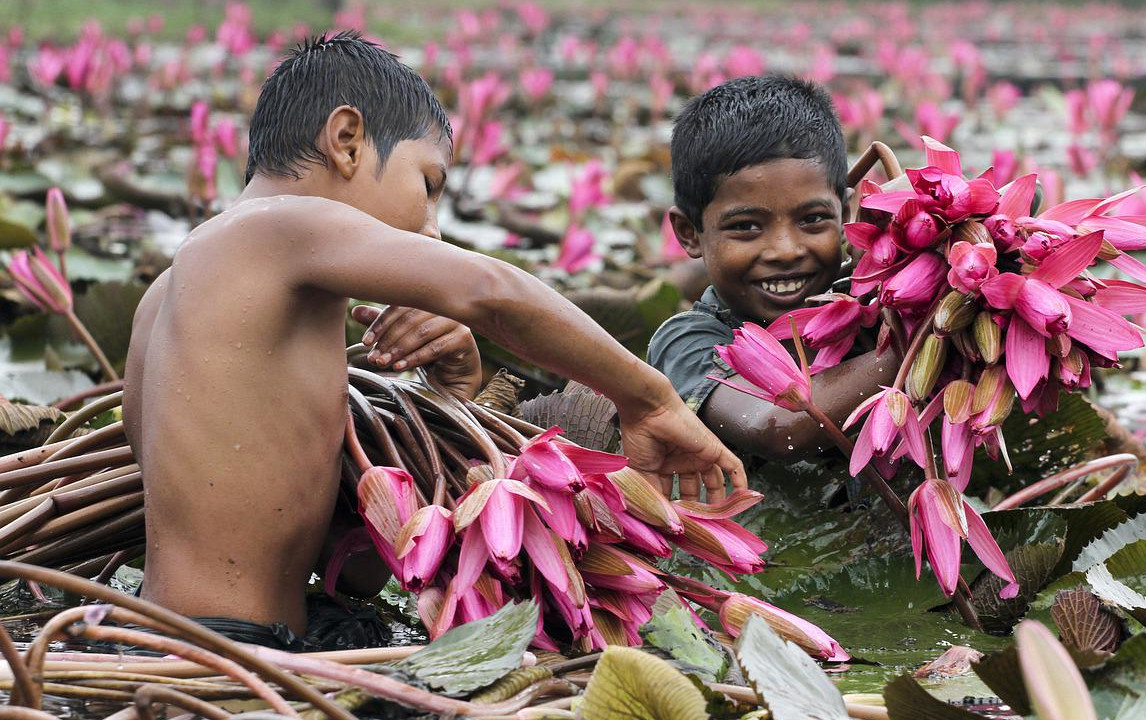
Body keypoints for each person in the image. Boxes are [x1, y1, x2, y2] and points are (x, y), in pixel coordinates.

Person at [122, 32, 745, 650]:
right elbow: (487, 290)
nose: (432, 229)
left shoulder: (171, 297)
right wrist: (649, 399)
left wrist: (454, 393)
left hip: (178, 642)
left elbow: (358, 570)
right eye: (428, 184)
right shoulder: (276, 229)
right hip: (228, 653)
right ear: (346, 142)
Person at [648, 76, 901, 461]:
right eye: (746, 226)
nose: (785, 251)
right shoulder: (685, 342)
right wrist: (919, 344)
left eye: (813, 219)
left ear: (846, 213)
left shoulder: (873, 298)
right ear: (690, 233)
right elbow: (775, 428)